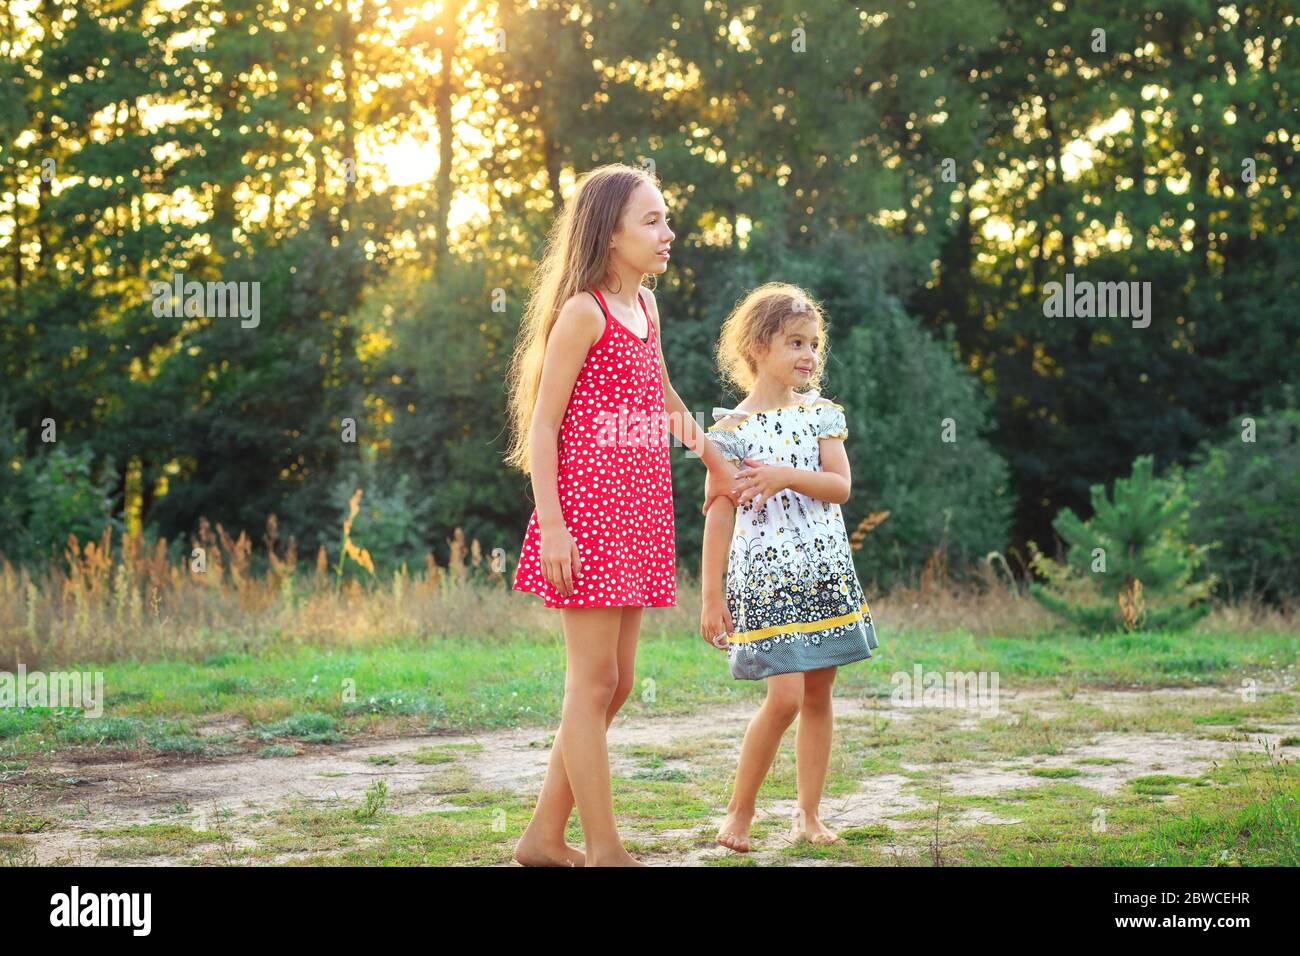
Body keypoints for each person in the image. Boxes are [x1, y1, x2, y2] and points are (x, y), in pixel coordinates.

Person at [504, 163, 741, 866]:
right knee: (592, 682)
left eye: (666, 219)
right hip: (586, 514)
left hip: (640, 511)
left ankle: (544, 838)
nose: (669, 233)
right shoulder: (583, 311)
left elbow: (662, 391)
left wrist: (712, 454)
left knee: (620, 682)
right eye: (652, 221)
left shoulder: (645, 308)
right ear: (610, 234)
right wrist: (552, 523)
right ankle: (606, 849)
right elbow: (542, 428)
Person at [698, 282, 880, 853]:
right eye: (795, 342)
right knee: (784, 699)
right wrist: (710, 597)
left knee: (820, 696)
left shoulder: (822, 416)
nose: (808, 355)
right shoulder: (728, 433)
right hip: (766, 580)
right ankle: (739, 813)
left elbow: (840, 486)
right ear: (757, 346)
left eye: (814, 344)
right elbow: (717, 519)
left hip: (823, 574)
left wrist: (783, 475)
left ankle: (807, 815)